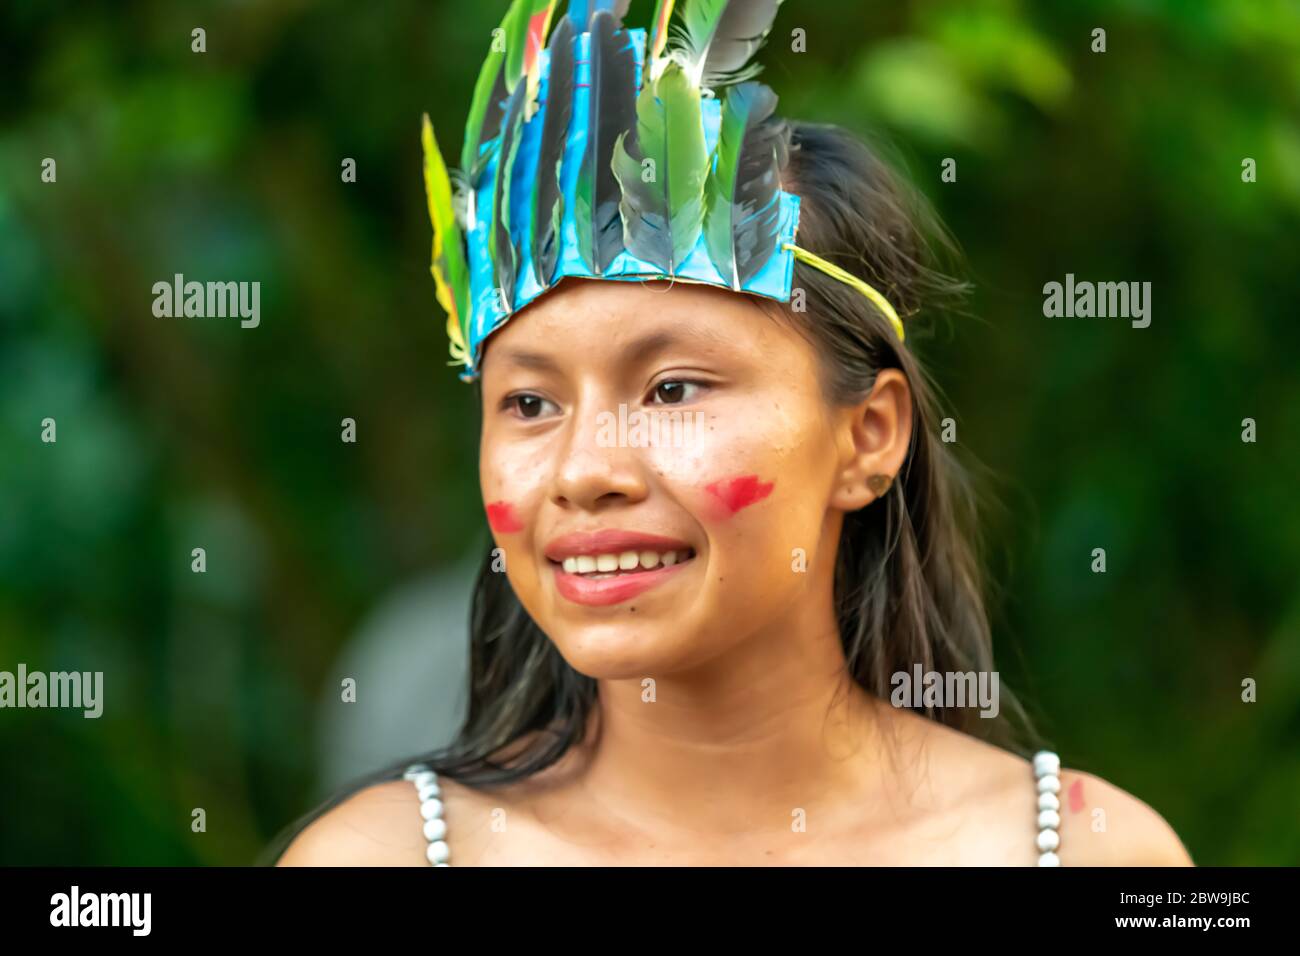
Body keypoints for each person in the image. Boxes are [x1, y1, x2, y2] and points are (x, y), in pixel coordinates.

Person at [272, 1, 1192, 867]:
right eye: (530, 404)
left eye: (672, 388)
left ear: (869, 436)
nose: (585, 470)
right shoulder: (381, 858)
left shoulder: (1080, 851)